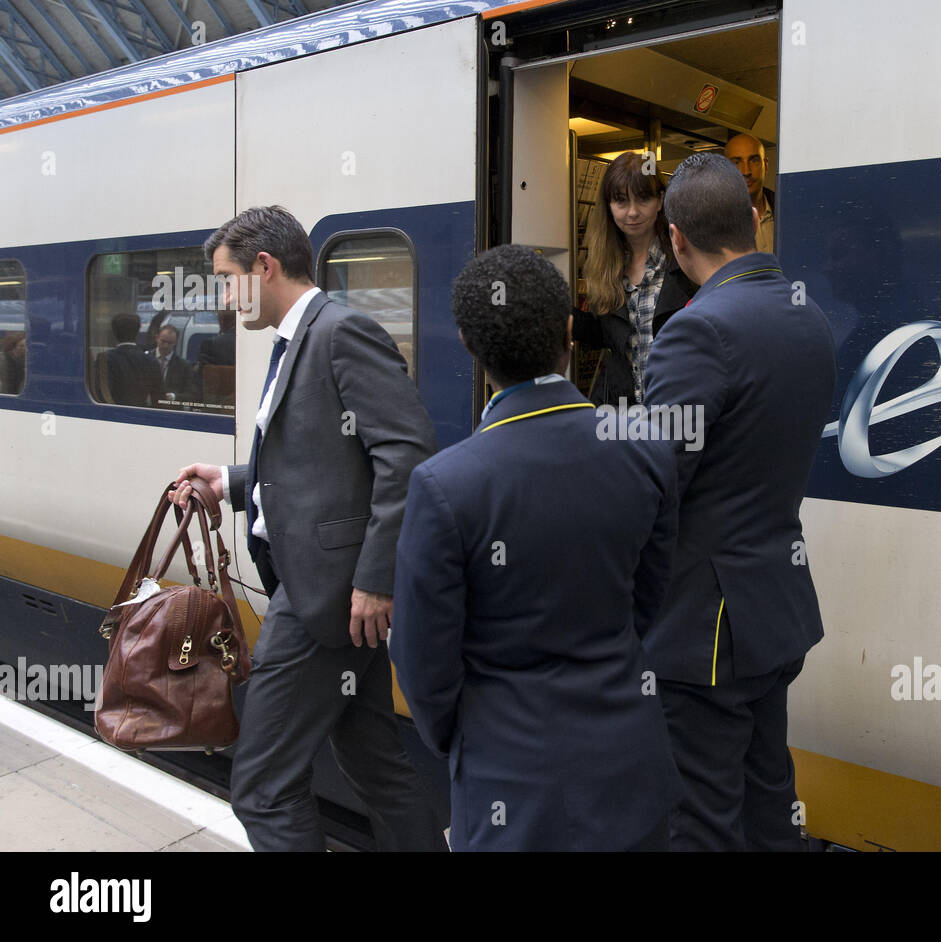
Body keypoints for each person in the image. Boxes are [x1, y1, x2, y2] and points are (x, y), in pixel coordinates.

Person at [389, 244, 683, 851]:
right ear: (572, 332)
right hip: (633, 769)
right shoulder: (644, 450)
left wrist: (473, 736)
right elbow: (646, 604)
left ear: (469, 346)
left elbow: (423, 663)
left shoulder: (446, 486)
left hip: (512, 787)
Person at [171, 205, 444, 852]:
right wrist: (230, 483)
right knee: (374, 762)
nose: (223, 297)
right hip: (328, 590)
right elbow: (317, 464)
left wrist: (377, 579)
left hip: (327, 597)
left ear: (264, 267)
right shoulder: (301, 338)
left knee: (262, 786)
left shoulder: (339, 332)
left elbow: (407, 454)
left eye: (226, 279)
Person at [643, 153, 836, 851]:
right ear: (755, 219)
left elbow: (654, 486)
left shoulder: (696, 331)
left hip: (704, 630)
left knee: (700, 820)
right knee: (767, 804)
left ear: (675, 238)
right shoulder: (807, 315)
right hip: (772, 611)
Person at [574, 151, 695, 406]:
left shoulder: (687, 261)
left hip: (681, 413)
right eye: (621, 201)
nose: (632, 212)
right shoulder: (605, 268)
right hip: (625, 419)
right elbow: (605, 336)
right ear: (608, 205)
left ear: (661, 200)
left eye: (642, 199)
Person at [724, 133, 776, 254]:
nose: (746, 171)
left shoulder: (787, 212)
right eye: (737, 162)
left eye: (754, 161)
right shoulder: (712, 220)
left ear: (766, 165)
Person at [102, 313, 162, 407]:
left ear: (114, 332)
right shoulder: (151, 361)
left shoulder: (105, 359)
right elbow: (158, 397)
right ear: (137, 332)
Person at [153, 324, 195, 402]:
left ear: (175, 343)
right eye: (163, 341)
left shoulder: (184, 366)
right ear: (156, 338)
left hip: (170, 410)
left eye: (170, 343)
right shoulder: (145, 359)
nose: (165, 346)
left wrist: (174, 396)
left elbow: (191, 394)